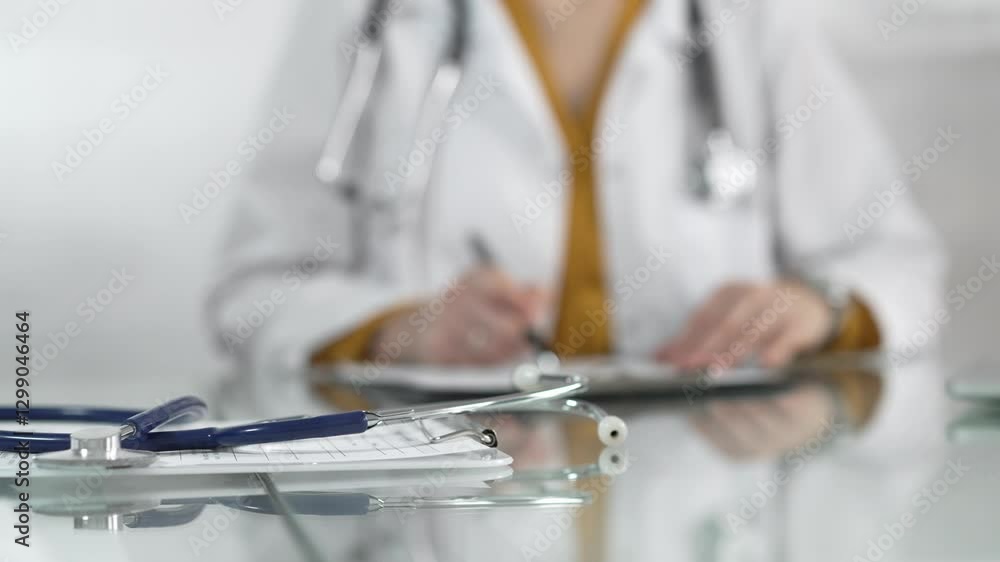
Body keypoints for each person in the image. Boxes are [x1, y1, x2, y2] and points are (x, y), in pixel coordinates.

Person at [209, 0, 944, 379]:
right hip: (443, 506)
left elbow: (899, 264)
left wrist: (817, 308)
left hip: (706, 487)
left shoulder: (743, 19)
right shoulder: (378, 18)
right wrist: (402, 330)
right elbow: (253, 293)